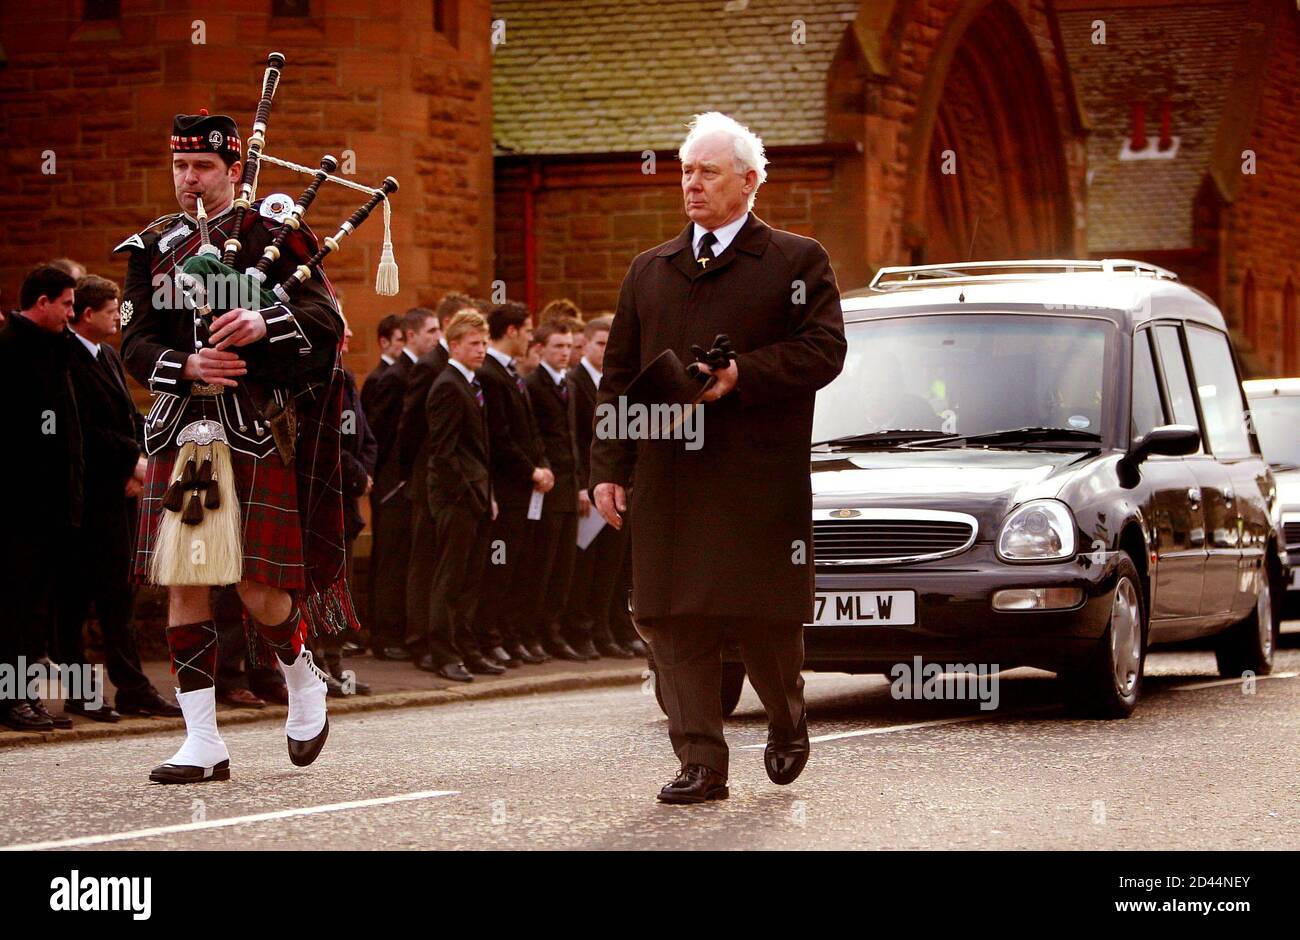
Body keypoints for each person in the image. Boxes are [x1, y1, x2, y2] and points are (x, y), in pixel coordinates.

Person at [590, 112, 847, 804]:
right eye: (685, 171)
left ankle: (787, 718)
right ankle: (701, 761)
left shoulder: (797, 261)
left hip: (754, 481)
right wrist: (608, 470)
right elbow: (617, 379)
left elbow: (826, 351)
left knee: (763, 620)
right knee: (674, 622)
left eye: (707, 171)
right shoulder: (650, 270)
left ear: (750, 180)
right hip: (668, 481)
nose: (692, 184)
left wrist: (743, 376)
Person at [119, 110, 349, 783]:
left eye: (203, 169)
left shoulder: (272, 235)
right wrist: (184, 367)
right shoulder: (154, 246)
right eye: (179, 168)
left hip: (250, 429)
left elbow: (326, 324)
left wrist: (261, 320)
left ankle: (302, 676)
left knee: (255, 587)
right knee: (185, 578)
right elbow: (134, 341)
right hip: (181, 428)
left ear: (234, 172)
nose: (189, 181)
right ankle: (202, 741)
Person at [59, 274, 180, 721]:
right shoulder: (65, 357)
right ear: (87, 314)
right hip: (84, 498)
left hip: (119, 496)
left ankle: (132, 687)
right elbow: (81, 428)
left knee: (118, 595)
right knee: (72, 600)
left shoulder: (108, 355)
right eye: (111, 311)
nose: (118, 318)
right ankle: (80, 693)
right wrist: (133, 462)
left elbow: (130, 416)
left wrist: (142, 457)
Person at [0, 266, 82, 732]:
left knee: (36, 611)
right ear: (42, 302)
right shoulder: (11, 348)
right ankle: (11, 699)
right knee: (13, 608)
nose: (72, 313)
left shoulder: (54, 347)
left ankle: (25, 696)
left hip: (49, 506)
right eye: (67, 304)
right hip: (19, 506)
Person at [475, 302, 554, 668]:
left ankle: (511, 633)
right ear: (510, 331)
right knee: (499, 567)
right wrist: (530, 470)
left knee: (520, 566)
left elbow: (530, 429)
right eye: (527, 331)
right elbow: (501, 437)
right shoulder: (489, 373)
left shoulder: (511, 372)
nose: (530, 338)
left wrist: (543, 465)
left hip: (525, 490)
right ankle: (490, 636)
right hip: (506, 491)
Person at [418, 311, 495, 681]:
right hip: (455, 498)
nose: (482, 349)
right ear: (455, 345)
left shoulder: (471, 383)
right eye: (474, 344)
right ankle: (443, 653)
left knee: (471, 579)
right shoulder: (448, 385)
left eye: (484, 343)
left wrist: (486, 494)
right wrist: (468, 494)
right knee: (450, 577)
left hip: (477, 495)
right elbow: (444, 452)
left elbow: (479, 450)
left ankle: (467, 648)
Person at [364, 306, 439, 660]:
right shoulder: (395, 376)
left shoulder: (418, 371)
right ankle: (386, 635)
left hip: (407, 483)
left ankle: (402, 629)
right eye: (432, 331)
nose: (437, 339)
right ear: (412, 336)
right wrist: (384, 479)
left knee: (406, 559)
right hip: (393, 483)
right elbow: (380, 433)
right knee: (391, 561)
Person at [564, 315, 636, 659]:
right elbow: (575, 438)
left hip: (617, 488)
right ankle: (584, 630)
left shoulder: (619, 383)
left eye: (611, 344)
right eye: (599, 344)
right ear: (586, 344)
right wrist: (583, 484)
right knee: (586, 568)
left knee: (614, 565)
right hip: (587, 489)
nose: (605, 351)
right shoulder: (575, 382)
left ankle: (611, 626)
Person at [524, 317, 587, 661]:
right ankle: (534, 632)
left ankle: (554, 629)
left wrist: (580, 484)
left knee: (564, 567)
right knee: (542, 566)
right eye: (557, 347)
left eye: (568, 346)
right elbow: (537, 437)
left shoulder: (571, 385)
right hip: (546, 491)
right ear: (540, 349)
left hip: (570, 488)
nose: (564, 353)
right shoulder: (532, 385)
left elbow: (574, 438)